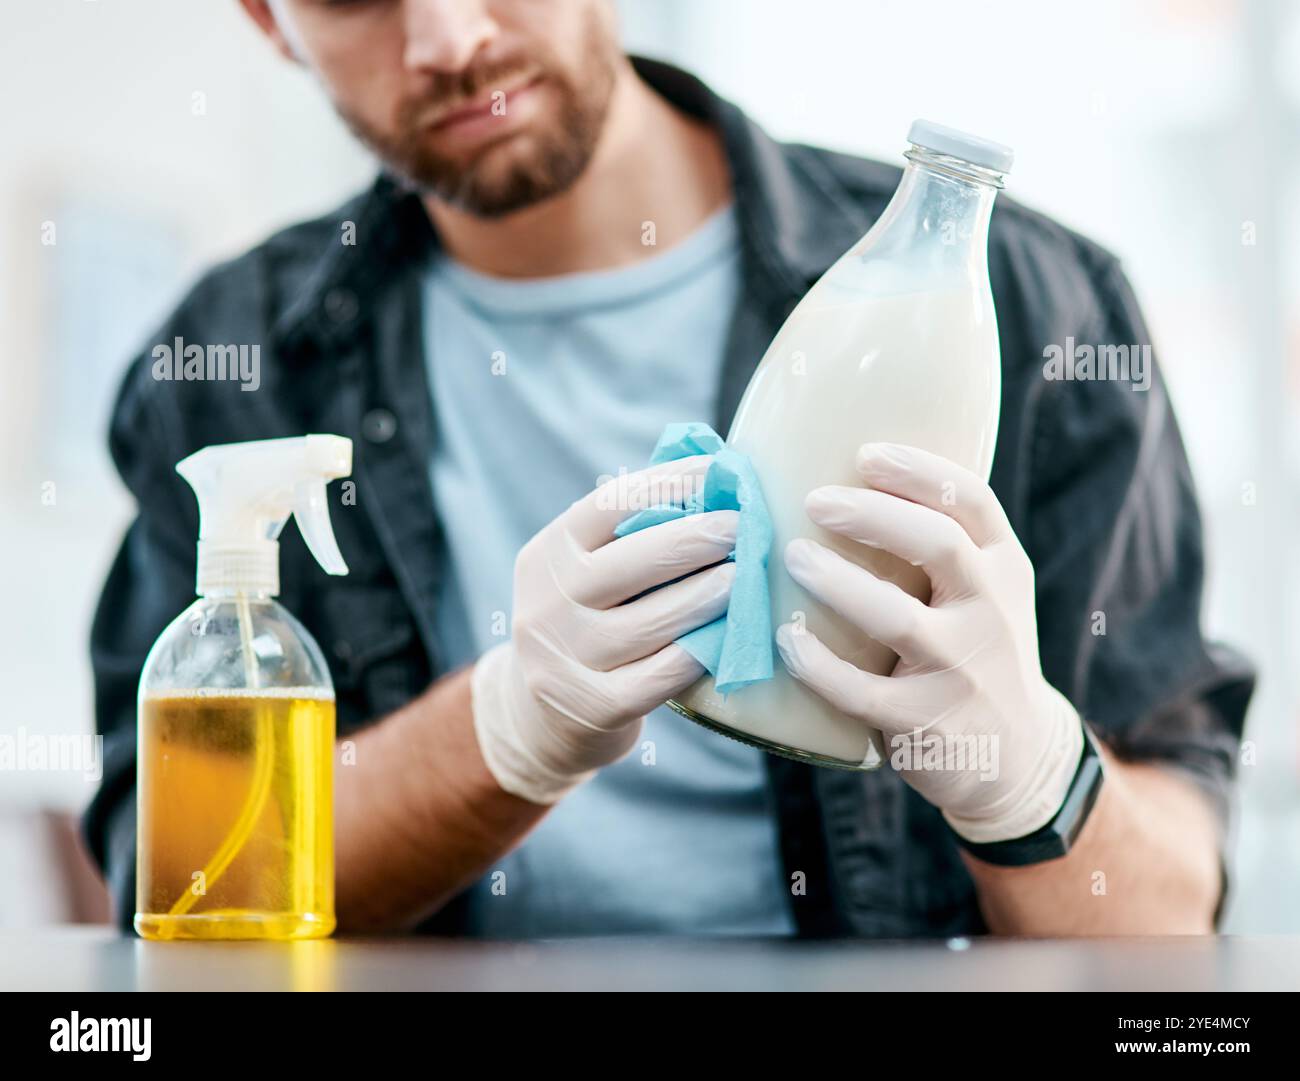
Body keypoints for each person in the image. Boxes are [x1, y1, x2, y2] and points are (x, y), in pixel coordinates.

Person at [84, 0, 1253, 938]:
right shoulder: (234, 369)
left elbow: (1165, 920)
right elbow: (185, 883)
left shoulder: (1036, 312)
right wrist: (502, 729)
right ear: (266, 19)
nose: (447, 38)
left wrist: (1035, 779)